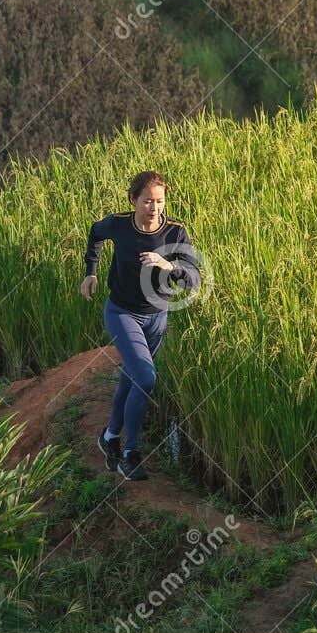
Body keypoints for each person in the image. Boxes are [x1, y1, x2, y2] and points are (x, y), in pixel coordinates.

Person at [80, 170, 201, 482]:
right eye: (148, 200)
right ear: (133, 200)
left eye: (160, 201)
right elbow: (95, 233)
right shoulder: (119, 224)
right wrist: (90, 272)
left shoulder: (175, 231)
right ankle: (130, 453)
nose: (154, 207)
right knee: (145, 378)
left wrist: (169, 265)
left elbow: (195, 278)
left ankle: (109, 438)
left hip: (157, 316)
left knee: (132, 378)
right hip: (121, 312)